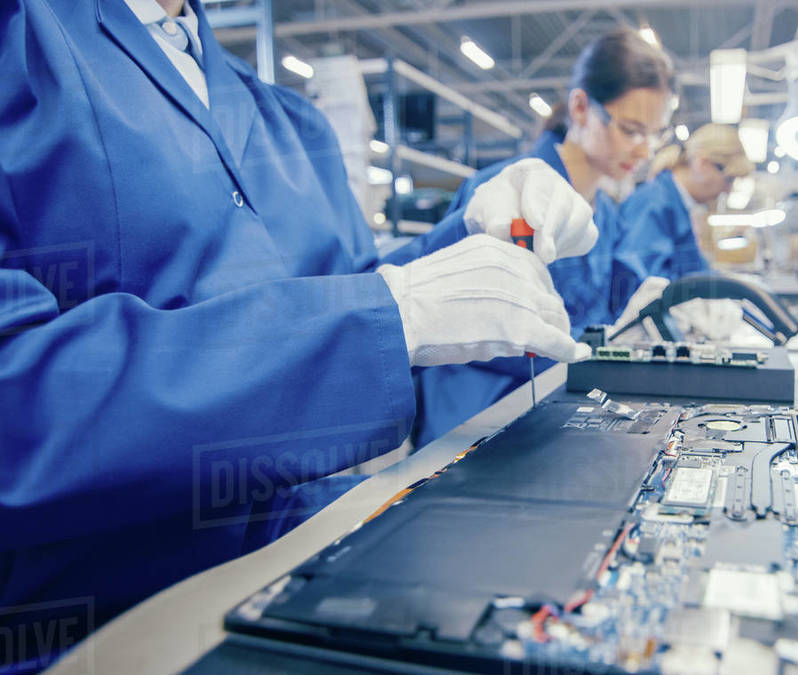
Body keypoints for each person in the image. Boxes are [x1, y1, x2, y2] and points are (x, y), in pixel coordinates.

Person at [0, 0, 594, 670]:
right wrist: (391, 314)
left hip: (304, 568)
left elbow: (353, 288)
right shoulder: (23, 46)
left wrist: (475, 229)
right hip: (104, 636)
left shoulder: (287, 119)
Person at [392, 28, 677, 448]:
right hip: (476, 421)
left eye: (656, 134)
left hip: (558, 413)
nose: (645, 150)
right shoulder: (503, 192)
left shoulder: (607, 215)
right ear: (581, 107)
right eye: (633, 130)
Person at [617, 123, 753, 282]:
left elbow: (696, 273)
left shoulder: (677, 208)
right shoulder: (653, 204)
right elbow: (642, 282)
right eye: (729, 179)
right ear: (703, 164)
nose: (727, 190)